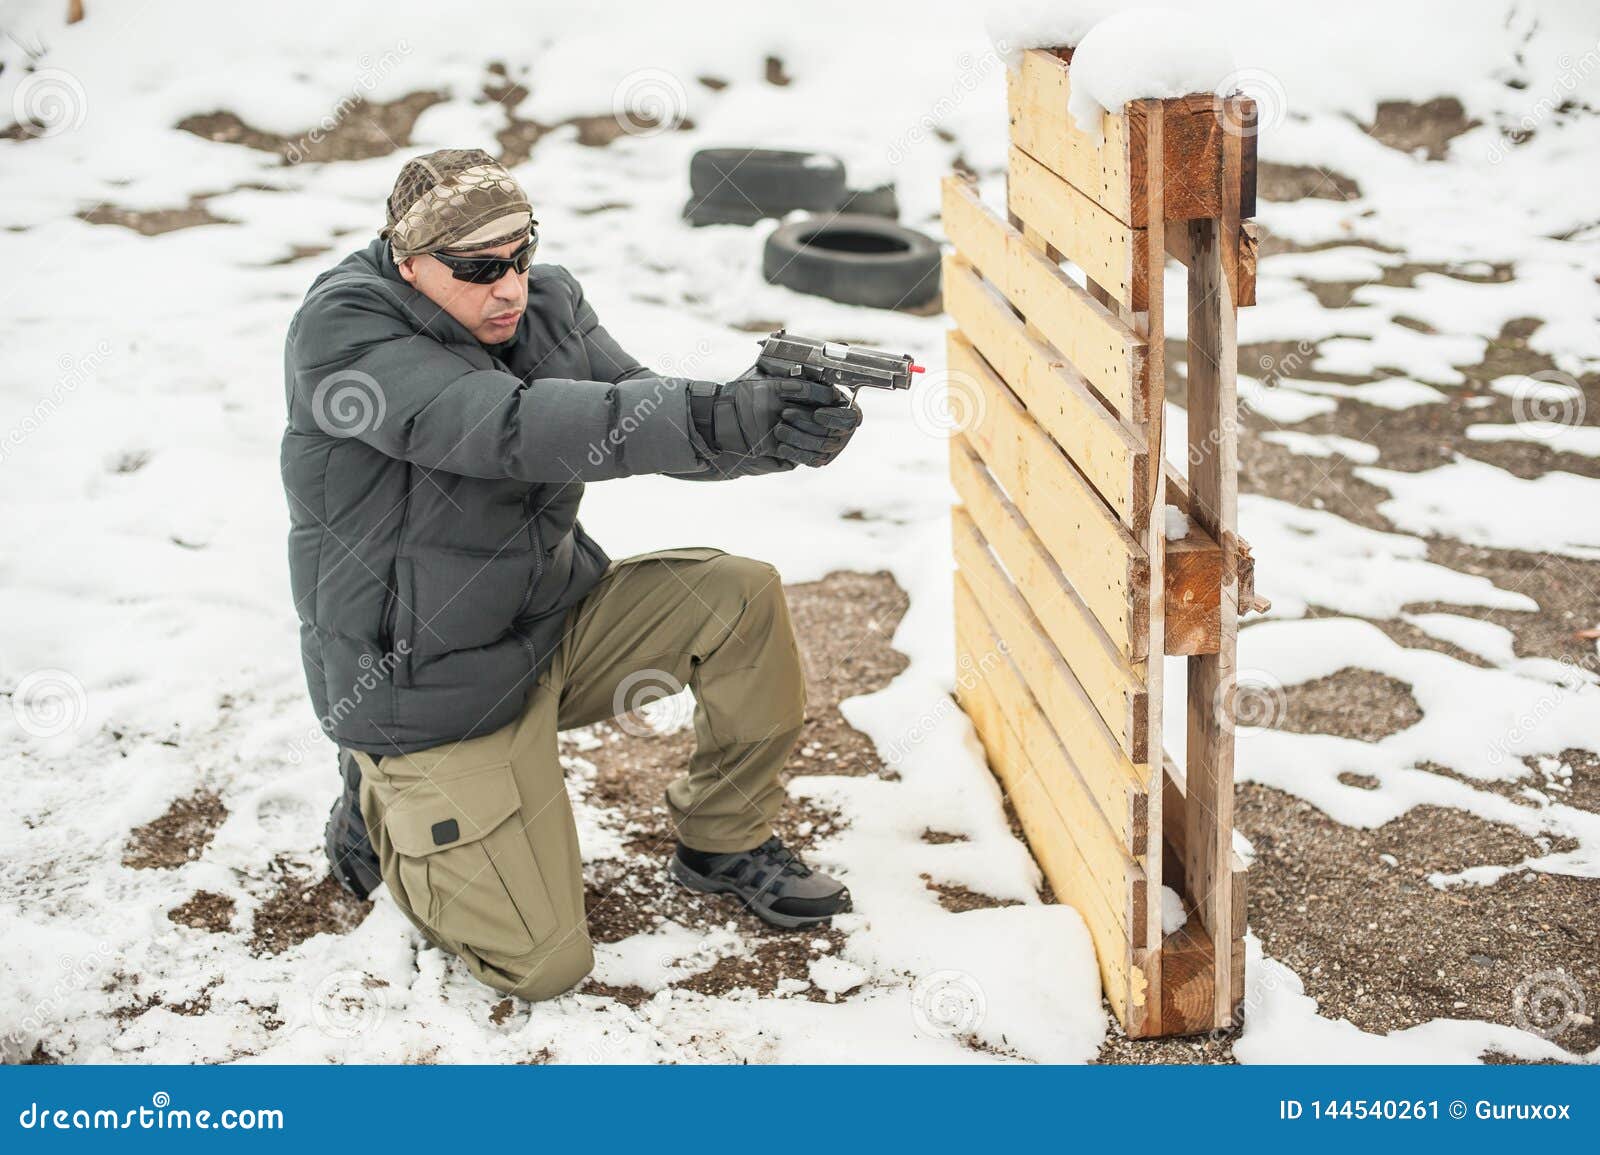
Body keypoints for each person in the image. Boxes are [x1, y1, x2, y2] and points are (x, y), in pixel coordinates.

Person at [280, 148, 861, 1001]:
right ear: (409, 263)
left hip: (550, 624)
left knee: (737, 596)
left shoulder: (548, 304)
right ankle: (377, 793)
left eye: (521, 253)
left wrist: (765, 430)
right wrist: (714, 415)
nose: (510, 286)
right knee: (542, 963)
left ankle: (723, 839)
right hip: (425, 692)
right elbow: (509, 425)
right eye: (479, 268)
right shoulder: (344, 333)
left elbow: (636, 405)